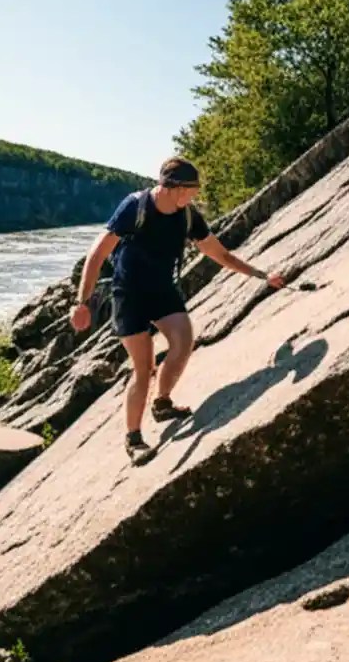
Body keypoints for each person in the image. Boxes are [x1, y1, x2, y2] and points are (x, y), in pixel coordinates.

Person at [70, 156, 285, 460]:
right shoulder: (136, 207)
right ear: (169, 187)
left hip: (162, 290)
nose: (193, 195)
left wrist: (262, 275)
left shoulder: (188, 217)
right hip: (129, 294)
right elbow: (97, 253)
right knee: (143, 369)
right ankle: (133, 439)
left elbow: (220, 254)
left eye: (195, 190)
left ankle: (162, 403)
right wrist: (82, 302)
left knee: (183, 342)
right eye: (189, 189)